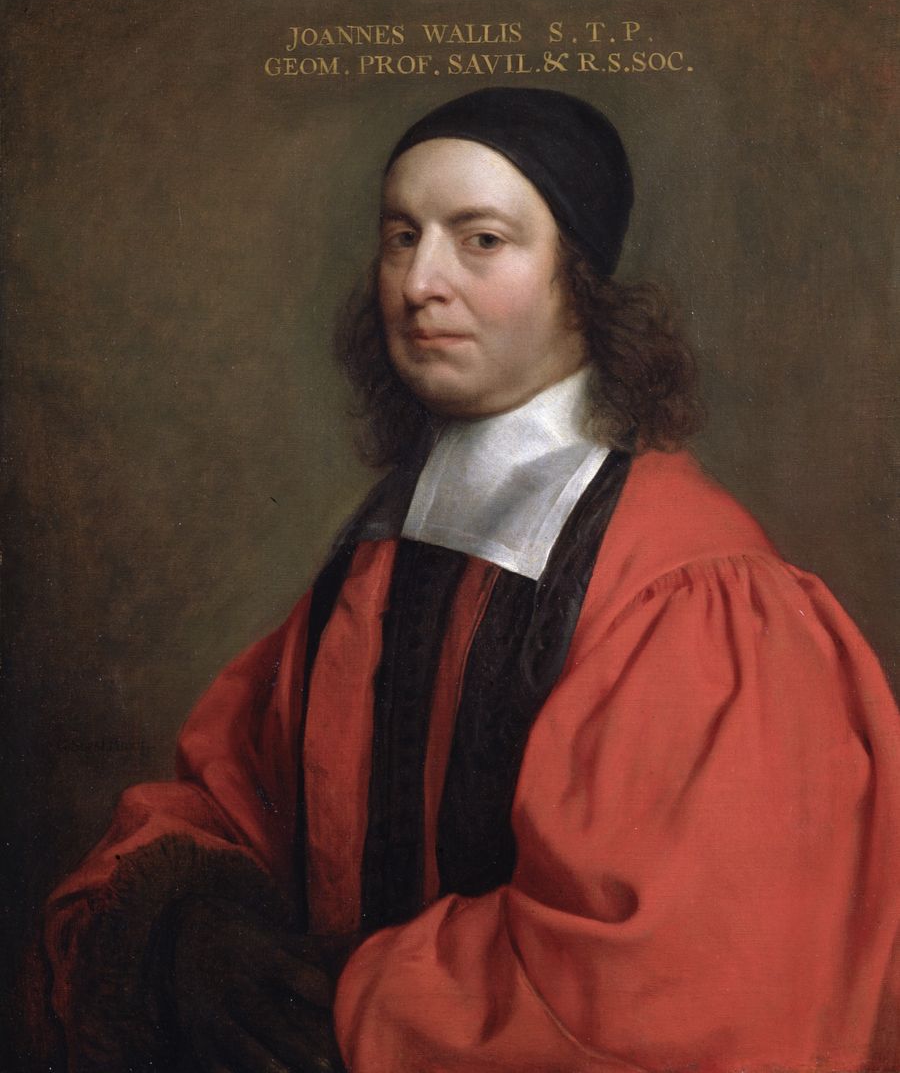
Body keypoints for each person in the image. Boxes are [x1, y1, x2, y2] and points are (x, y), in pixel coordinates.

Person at [24, 88, 900, 1072]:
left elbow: (675, 984)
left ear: (581, 281)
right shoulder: (384, 544)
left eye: (481, 240)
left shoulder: (691, 589)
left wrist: (335, 1004)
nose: (419, 282)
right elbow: (241, 790)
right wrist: (186, 929)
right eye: (402, 237)